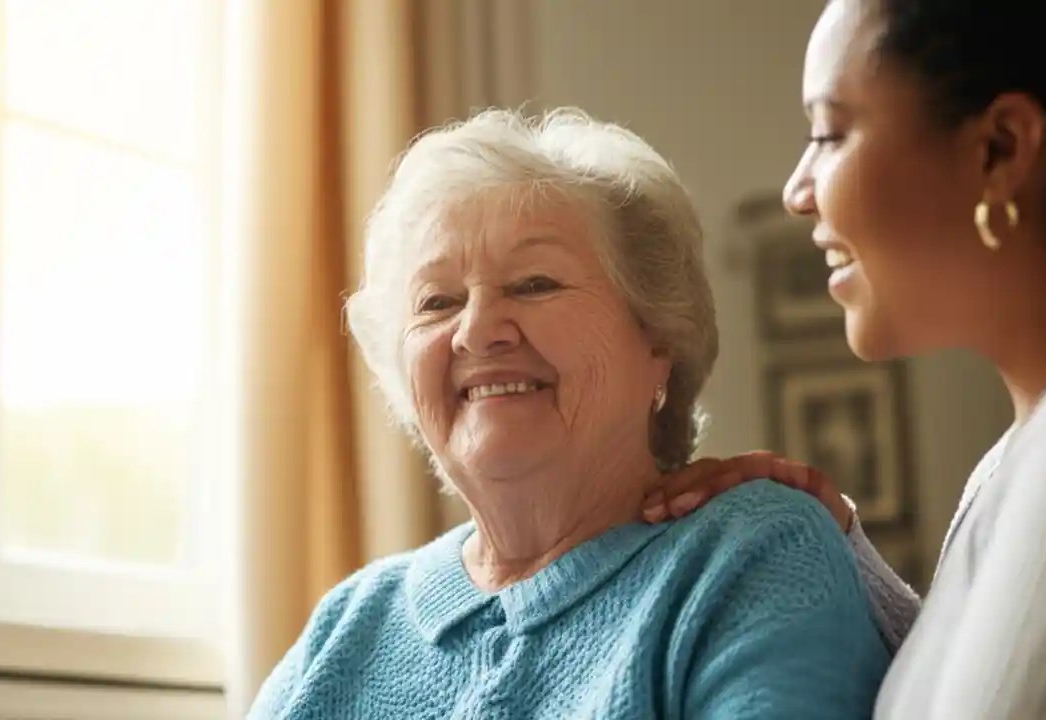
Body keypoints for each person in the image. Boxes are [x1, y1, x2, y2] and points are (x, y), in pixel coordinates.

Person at [247, 108, 889, 718]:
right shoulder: (348, 624)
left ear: (658, 338)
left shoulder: (753, 552)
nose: (476, 331)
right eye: (437, 302)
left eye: (534, 284)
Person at [642, 1, 1046, 717]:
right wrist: (847, 552)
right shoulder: (1024, 452)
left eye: (829, 133)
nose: (796, 193)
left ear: (1001, 150)